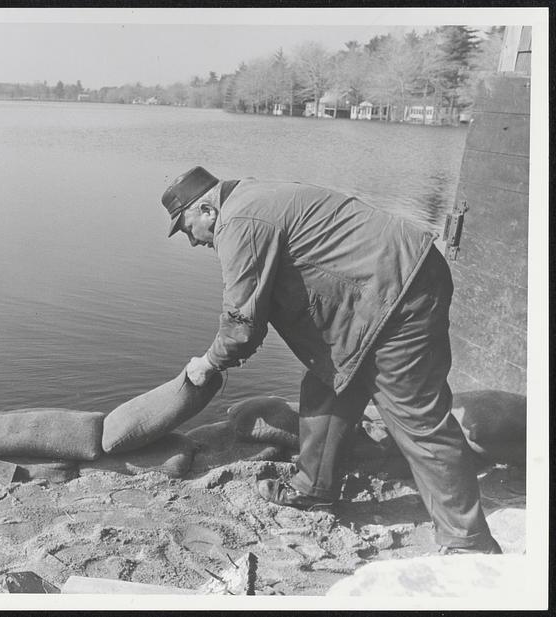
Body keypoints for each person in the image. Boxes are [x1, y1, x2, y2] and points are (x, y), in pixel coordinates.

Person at [160, 166, 501, 555]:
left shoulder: (239, 222)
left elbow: (243, 321)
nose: (191, 242)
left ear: (206, 210)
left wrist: (210, 362)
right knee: (327, 385)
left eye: (187, 229)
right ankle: (315, 488)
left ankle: (468, 542)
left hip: (401, 291)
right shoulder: (248, 199)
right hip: (375, 289)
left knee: (416, 415)